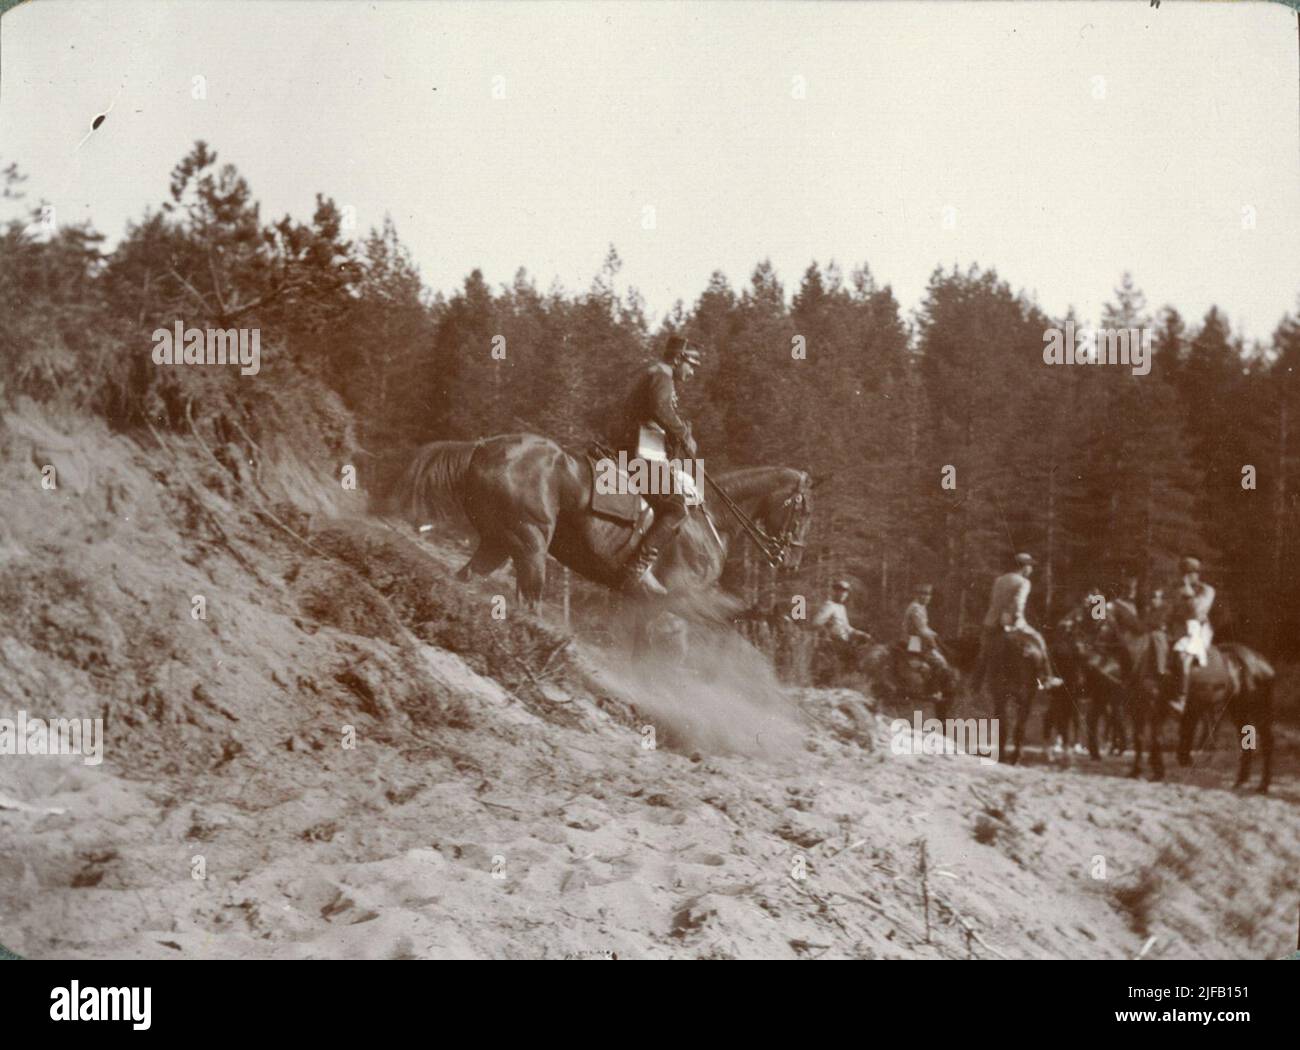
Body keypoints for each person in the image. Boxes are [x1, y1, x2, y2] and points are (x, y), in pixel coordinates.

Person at [613, 335, 702, 596]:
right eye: (691, 363)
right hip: (639, 452)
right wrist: (684, 434)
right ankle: (637, 568)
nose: (693, 371)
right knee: (676, 508)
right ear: (677, 359)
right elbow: (661, 410)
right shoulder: (662, 376)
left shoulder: (660, 375)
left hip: (644, 449)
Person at [973, 552, 1063, 692]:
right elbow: (1018, 603)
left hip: (991, 623)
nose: (1031, 570)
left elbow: (994, 600)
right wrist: (1015, 620)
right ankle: (1047, 676)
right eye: (1030, 566)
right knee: (1039, 640)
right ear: (1024, 567)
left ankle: (976, 681)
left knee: (984, 651)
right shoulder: (1024, 582)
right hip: (1012, 623)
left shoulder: (999, 580)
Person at [1168, 556, 1215, 714]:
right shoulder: (1176, 589)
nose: (1185, 576)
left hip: (1198, 630)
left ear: (1197, 574)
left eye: (1190, 573)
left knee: (1183, 655)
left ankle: (1182, 698)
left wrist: (1187, 591)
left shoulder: (1206, 590)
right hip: (1177, 629)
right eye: (1183, 573)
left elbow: (1196, 611)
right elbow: (1170, 610)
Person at [900, 583, 953, 701]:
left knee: (938, 656)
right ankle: (933, 691)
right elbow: (922, 630)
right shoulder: (915, 608)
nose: (926, 597)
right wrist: (934, 644)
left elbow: (926, 627)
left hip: (918, 639)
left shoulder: (921, 607)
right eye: (922, 594)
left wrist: (936, 636)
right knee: (939, 662)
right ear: (916, 594)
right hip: (913, 640)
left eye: (928, 594)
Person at [812, 579, 872, 668]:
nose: (843, 594)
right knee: (855, 663)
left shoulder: (841, 608)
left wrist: (861, 633)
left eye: (845, 592)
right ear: (835, 592)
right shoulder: (829, 605)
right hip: (834, 644)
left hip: (844, 642)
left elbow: (847, 628)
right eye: (841, 591)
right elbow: (816, 622)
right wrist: (828, 630)